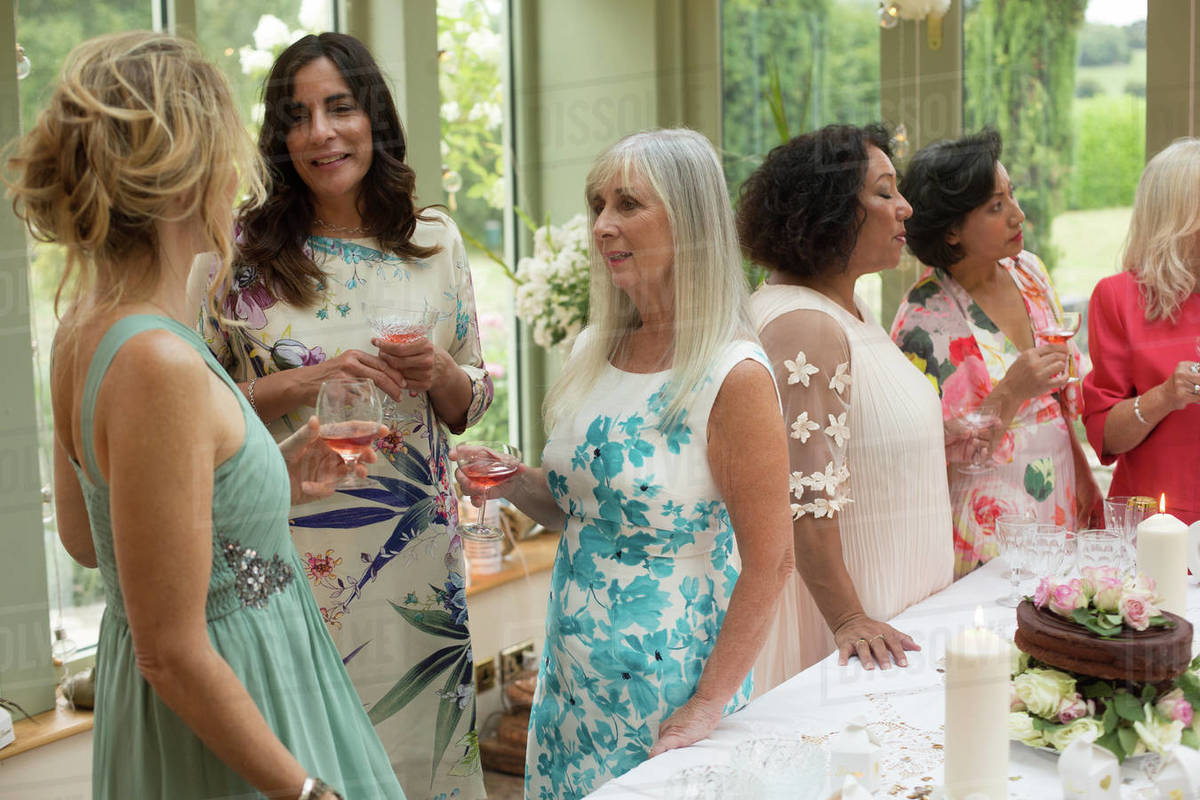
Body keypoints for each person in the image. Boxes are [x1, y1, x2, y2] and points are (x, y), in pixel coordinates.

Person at [11, 31, 404, 800]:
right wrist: (307, 792)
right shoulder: (158, 361)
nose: (239, 175)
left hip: (218, 696)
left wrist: (266, 480)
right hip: (237, 715)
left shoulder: (83, 327)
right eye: (228, 151)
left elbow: (93, 539)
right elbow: (171, 652)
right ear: (190, 176)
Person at [455, 129, 794, 799]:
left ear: (689, 219)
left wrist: (707, 705)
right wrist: (510, 479)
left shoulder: (732, 372)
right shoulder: (594, 349)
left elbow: (773, 561)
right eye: (598, 205)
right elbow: (578, 509)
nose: (603, 225)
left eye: (628, 204)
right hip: (570, 679)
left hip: (670, 686)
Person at [201, 33, 492, 797]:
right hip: (287, 556)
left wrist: (443, 373)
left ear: (375, 119)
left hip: (416, 565)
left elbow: (471, 399)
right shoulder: (238, 257)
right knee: (310, 762)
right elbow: (198, 409)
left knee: (421, 760)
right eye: (298, 117)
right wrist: (309, 381)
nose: (321, 133)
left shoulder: (435, 242)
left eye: (340, 108)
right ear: (279, 137)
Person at [736, 124, 954, 685]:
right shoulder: (805, 326)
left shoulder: (845, 310)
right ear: (827, 211)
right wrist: (850, 619)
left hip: (895, 612)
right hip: (856, 636)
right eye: (884, 192)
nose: (905, 207)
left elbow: (843, 445)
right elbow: (801, 501)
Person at [890, 130, 1101, 577]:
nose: (1017, 215)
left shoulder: (1030, 272)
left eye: (1012, 197)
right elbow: (926, 453)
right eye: (995, 207)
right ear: (951, 230)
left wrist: (1085, 476)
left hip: (1058, 489)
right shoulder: (923, 318)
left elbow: (1059, 397)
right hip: (985, 516)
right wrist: (1011, 391)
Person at [1082, 138, 1200, 524]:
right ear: (1178, 217)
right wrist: (1165, 396)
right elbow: (1106, 436)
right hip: (1157, 525)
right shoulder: (1119, 298)